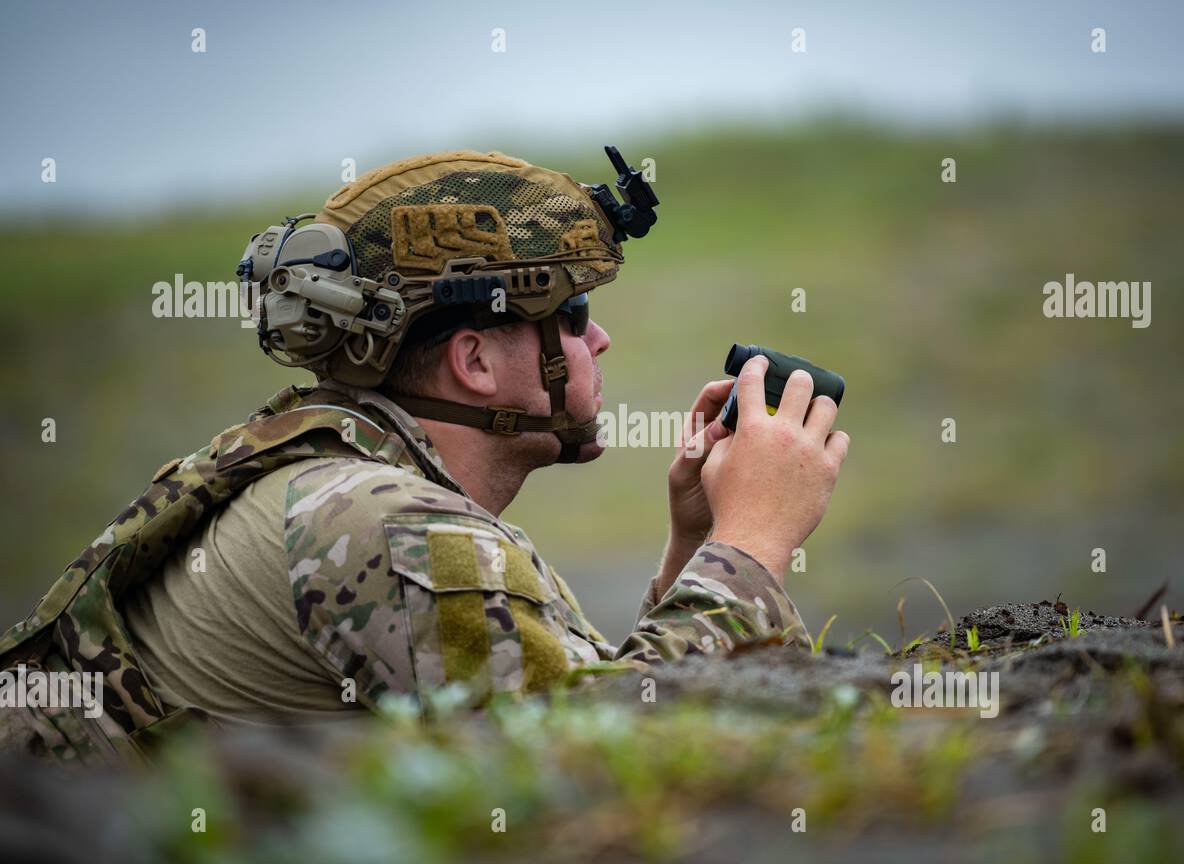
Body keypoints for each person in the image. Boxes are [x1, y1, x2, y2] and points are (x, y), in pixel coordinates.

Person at [0, 148, 848, 763]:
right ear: (474, 361)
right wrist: (753, 546)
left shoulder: (347, 485)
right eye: (574, 311)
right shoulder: (390, 527)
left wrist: (697, 550)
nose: (602, 337)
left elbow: (583, 690)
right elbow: (610, 764)